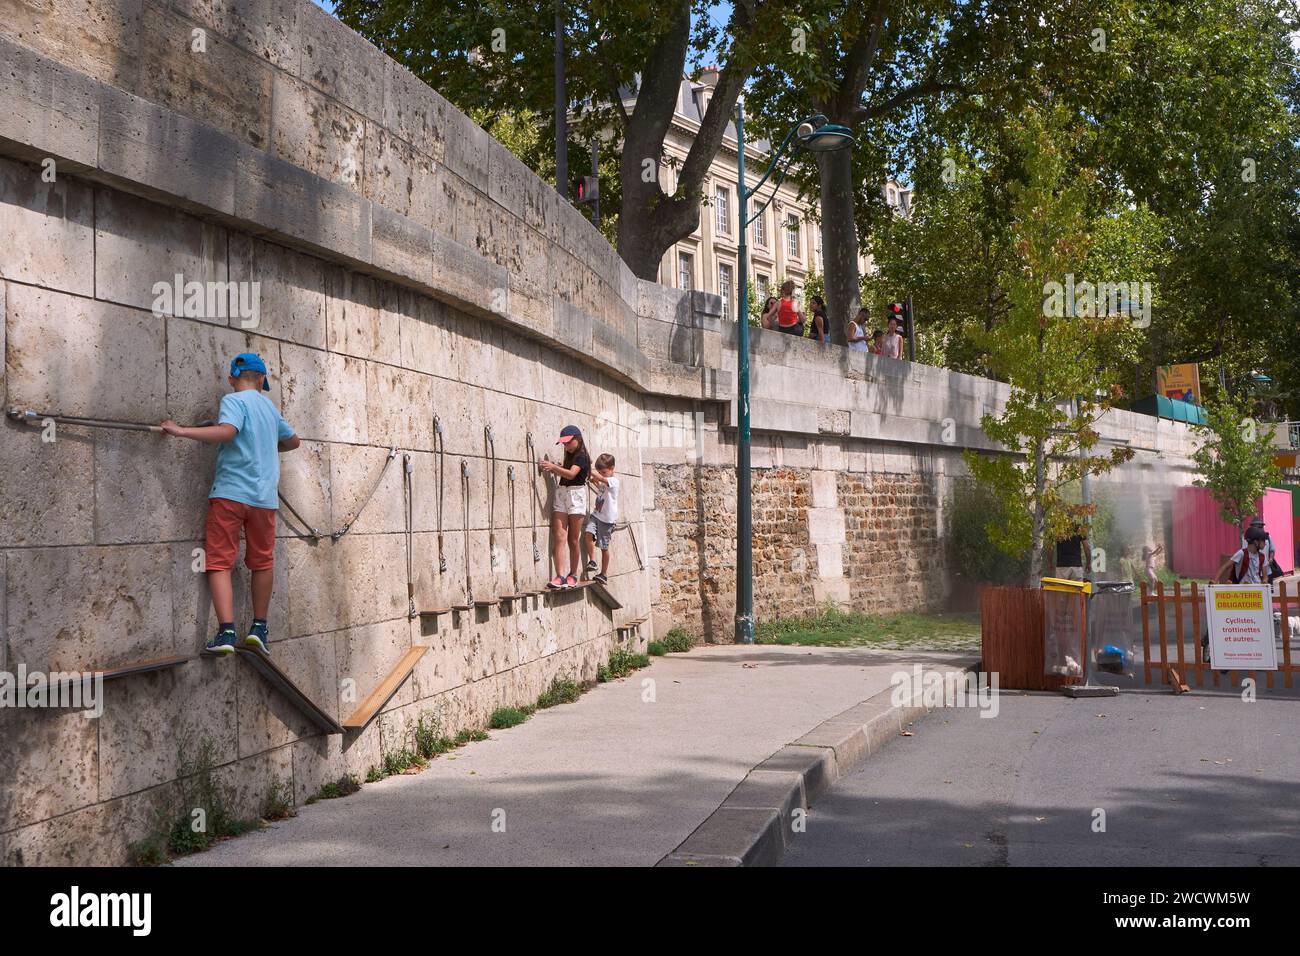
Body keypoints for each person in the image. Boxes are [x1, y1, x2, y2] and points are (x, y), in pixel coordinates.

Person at [161, 353, 299, 655]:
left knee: (219, 561)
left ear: (232, 379)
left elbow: (227, 432)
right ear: (262, 380)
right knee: (262, 561)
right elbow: (294, 442)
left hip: (230, 495)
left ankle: (226, 633)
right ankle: (259, 627)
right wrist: (263, 445)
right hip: (264, 500)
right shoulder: (270, 409)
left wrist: (183, 431)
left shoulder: (233, 401)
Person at [539, 424, 590, 589]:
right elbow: (566, 471)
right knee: (559, 535)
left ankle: (573, 574)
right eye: (564, 443)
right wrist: (558, 466)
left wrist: (554, 468)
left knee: (573, 539)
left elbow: (572, 474)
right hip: (562, 494)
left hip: (576, 495)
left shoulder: (582, 456)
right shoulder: (569, 456)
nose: (566, 446)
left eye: (568, 443)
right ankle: (560, 575)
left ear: (578, 439)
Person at [583, 453, 620, 585]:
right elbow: (603, 491)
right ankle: (592, 561)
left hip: (607, 520)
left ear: (612, 468)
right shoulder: (605, 482)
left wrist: (587, 468)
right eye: (600, 472)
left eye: (604, 472)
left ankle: (604, 574)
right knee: (588, 534)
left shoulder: (614, 481)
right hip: (597, 515)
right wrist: (597, 484)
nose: (602, 474)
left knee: (604, 548)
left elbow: (602, 480)